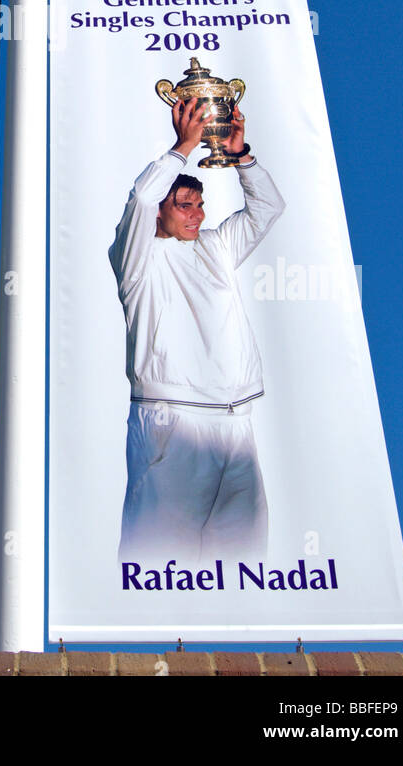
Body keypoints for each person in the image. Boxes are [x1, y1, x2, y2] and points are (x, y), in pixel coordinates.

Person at [108, 98, 284, 565]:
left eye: (200, 204)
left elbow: (268, 208)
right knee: (157, 561)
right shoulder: (135, 257)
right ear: (162, 214)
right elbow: (143, 199)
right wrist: (184, 146)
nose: (197, 214)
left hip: (236, 419)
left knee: (241, 565)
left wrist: (241, 156)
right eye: (184, 205)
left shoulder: (218, 246)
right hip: (173, 421)